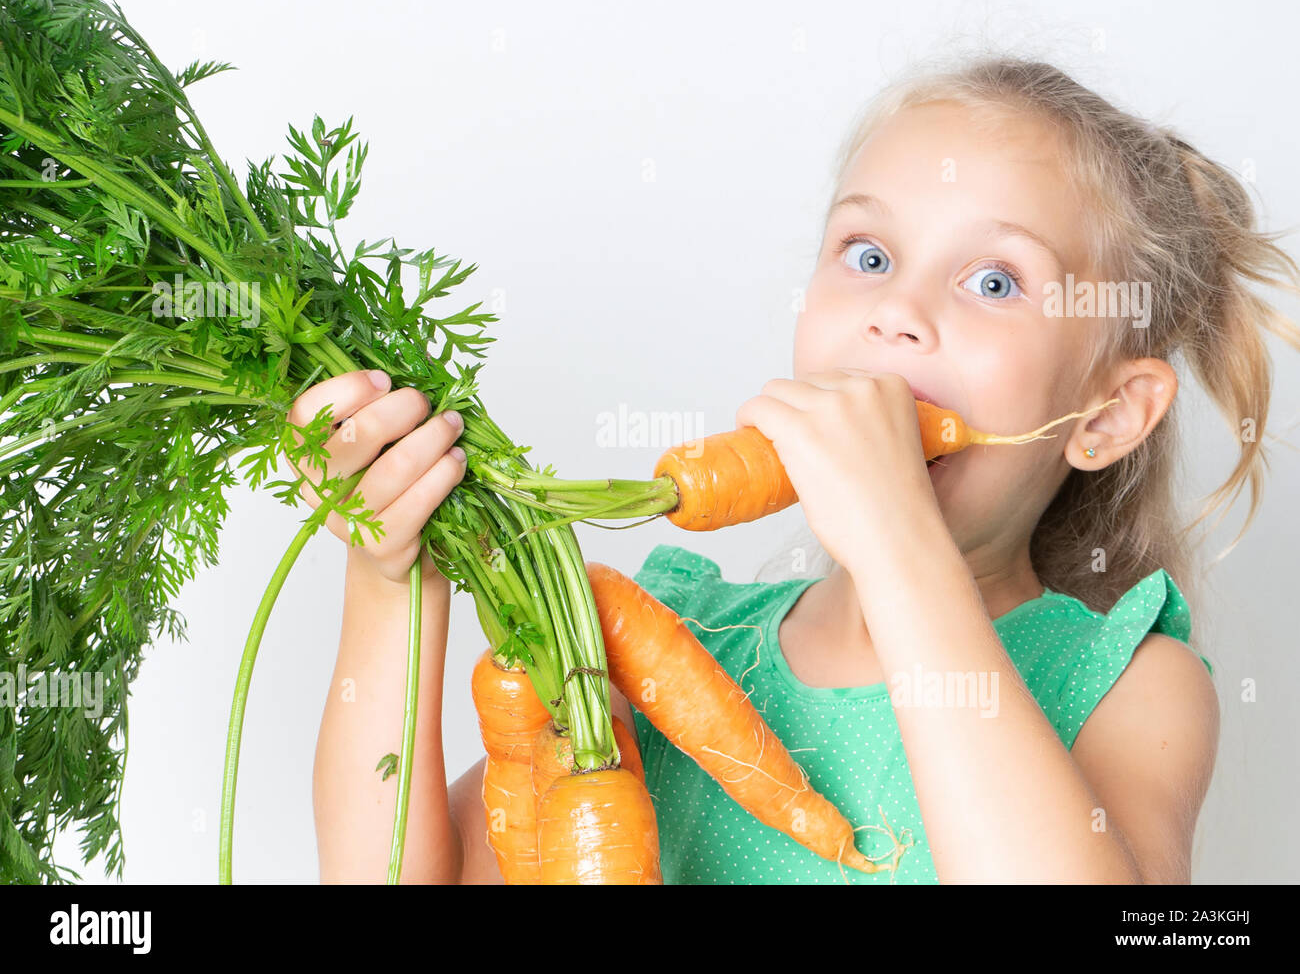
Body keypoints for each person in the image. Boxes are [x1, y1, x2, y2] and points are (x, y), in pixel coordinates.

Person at [307, 53, 1300, 883]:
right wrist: (390, 583)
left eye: (993, 279)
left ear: (1106, 416)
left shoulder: (1125, 682)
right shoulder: (667, 646)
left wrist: (900, 544)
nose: (895, 309)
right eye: (866, 255)